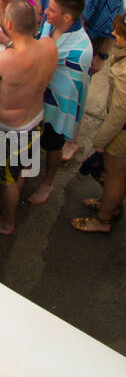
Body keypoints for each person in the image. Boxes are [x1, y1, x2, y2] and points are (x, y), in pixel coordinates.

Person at [0, 0, 58, 236]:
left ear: (9, 24)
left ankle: (5, 222)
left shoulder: (9, 60)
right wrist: (8, 41)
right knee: (21, 167)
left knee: (6, 179)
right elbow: (26, 56)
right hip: (36, 119)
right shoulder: (49, 45)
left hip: (11, 132)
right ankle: (10, 199)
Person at [26, 0, 92, 206]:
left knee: (53, 144)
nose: (45, 12)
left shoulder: (81, 51)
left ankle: (48, 182)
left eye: (51, 10)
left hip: (57, 107)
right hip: (38, 99)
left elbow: (36, 58)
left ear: (67, 17)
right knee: (32, 139)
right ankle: (23, 176)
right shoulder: (49, 26)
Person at [72, 13, 126, 233]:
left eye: (119, 32)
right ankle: (110, 205)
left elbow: (120, 113)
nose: (113, 33)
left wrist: (100, 140)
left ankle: (103, 219)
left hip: (121, 132)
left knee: (115, 174)